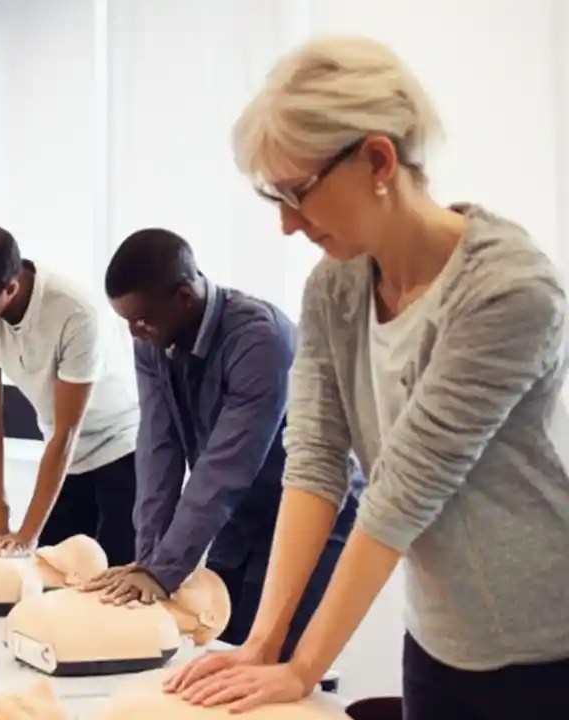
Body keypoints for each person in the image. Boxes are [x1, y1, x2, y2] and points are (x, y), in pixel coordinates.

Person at [166, 36, 569, 718]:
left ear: (378, 159)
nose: (289, 224)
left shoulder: (509, 290)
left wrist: (301, 669)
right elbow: (317, 459)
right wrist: (261, 644)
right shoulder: (335, 289)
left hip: (545, 649)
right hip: (438, 639)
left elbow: (404, 492)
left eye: (296, 193)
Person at [84, 228, 362, 662]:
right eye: (127, 321)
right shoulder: (154, 339)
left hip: (308, 512)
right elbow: (159, 448)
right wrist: (148, 562)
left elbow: (226, 465)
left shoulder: (259, 338)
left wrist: (164, 570)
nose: (135, 332)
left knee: (274, 658)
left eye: (141, 320)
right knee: (215, 647)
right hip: (239, 515)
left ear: (184, 297)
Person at [0, 224, 139, 565]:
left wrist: (26, 536)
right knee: (50, 570)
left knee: (110, 572)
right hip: (64, 453)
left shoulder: (75, 312)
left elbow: (68, 431)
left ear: (12, 287)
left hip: (121, 449)